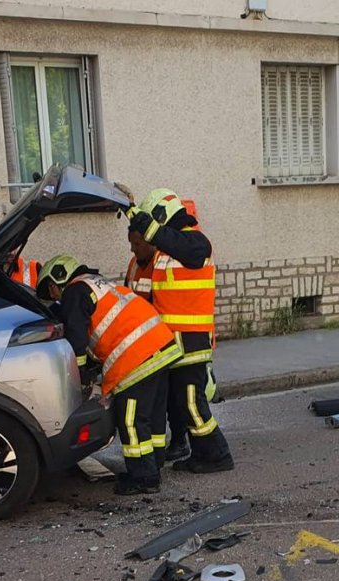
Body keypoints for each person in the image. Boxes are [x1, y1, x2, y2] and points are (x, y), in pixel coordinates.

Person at [37, 255, 181, 495]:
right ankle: (153, 464)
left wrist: (79, 376)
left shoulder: (74, 292)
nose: (53, 296)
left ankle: (144, 478)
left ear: (57, 279)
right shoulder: (98, 284)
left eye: (50, 289)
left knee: (131, 421)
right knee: (152, 415)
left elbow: (77, 339)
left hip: (136, 357)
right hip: (160, 345)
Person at [126, 189, 234, 473]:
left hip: (191, 342)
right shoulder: (168, 250)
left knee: (191, 403)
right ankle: (200, 454)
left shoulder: (196, 242)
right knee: (182, 402)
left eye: (153, 222)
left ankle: (217, 454)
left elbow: (173, 242)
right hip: (174, 343)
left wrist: (146, 224)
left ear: (162, 216)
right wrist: (130, 212)